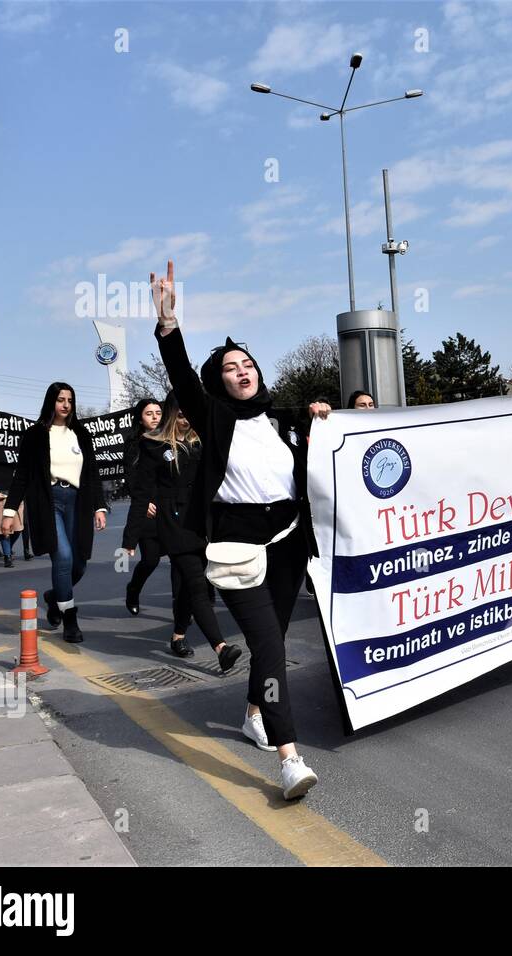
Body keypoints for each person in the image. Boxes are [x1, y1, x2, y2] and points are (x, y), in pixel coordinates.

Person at [152, 259, 330, 800]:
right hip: (239, 544)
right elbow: (181, 375)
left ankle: (254, 712)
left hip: (289, 539)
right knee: (270, 647)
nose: (242, 371)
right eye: (231, 367)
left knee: (270, 641)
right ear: (218, 381)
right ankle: (289, 759)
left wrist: (324, 414)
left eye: (248, 362)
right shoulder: (214, 416)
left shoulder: (282, 418)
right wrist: (168, 324)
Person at [130, 392, 243, 668]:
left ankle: (178, 634)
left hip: (201, 524)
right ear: (171, 414)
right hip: (173, 524)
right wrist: (130, 538)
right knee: (196, 584)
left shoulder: (198, 443)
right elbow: (141, 491)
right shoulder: (152, 445)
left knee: (190, 587)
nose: (185, 420)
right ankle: (221, 648)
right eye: (180, 415)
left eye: (189, 415)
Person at [3, 384, 108, 642]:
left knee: (79, 563)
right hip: (48, 502)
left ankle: (54, 596)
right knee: (62, 557)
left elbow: (92, 472)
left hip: (77, 501)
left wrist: (99, 506)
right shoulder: (35, 435)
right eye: (60, 400)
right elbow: (22, 476)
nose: (65, 405)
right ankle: (70, 619)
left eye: (70, 400)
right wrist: (9, 510)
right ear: (51, 402)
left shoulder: (81, 433)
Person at [122, 398, 164, 615]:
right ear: (140, 417)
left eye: (158, 412)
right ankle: (133, 590)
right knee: (151, 560)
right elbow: (131, 477)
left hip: (170, 509)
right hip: (146, 509)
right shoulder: (133, 444)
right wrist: (144, 501)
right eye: (149, 413)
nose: (155, 417)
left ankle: (186, 603)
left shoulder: (168, 440)